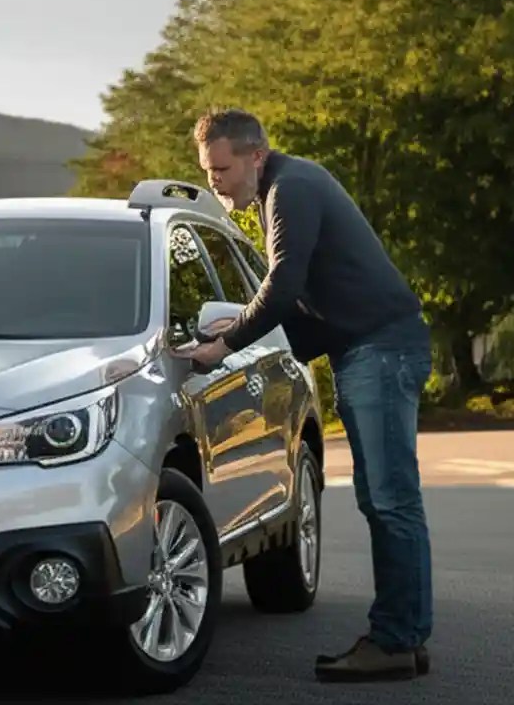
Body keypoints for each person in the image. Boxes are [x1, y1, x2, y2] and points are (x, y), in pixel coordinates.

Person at [172, 108, 435, 682]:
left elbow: (285, 284)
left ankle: (394, 639)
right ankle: (406, 637)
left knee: (389, 500)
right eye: (207, 170)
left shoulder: (288, 190)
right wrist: (243, 333)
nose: (215, 181)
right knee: (388, 499)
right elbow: (307, 303)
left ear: (255, 156)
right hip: (373, 347)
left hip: (382, 349)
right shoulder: (290, 185)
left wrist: (229, 341)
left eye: (221, 168)